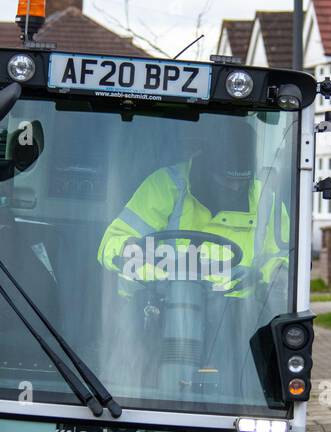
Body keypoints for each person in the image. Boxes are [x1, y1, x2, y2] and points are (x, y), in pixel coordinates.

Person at [97, 118, 289, 298]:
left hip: (237, 322)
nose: (235, 188)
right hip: (155, 309)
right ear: (205, 167)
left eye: (242, 181)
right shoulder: (166, 186)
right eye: (226, 180)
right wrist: (156, 272)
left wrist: (275, 273)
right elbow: (111, 245)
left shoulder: (264, 200)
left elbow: (282, 256)